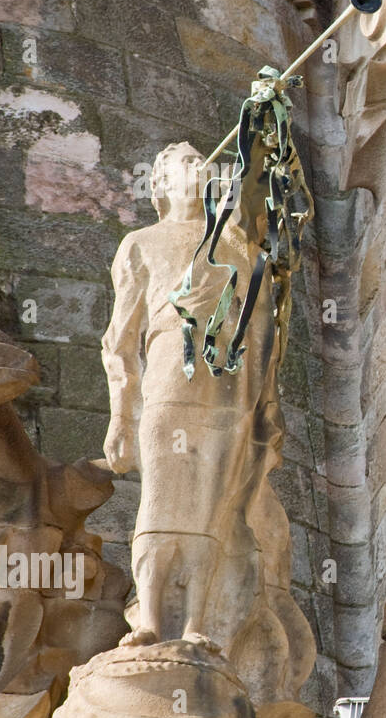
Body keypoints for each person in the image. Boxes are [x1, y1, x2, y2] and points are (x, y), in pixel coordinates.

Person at [101, 142, 273, 649]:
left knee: (210, 504)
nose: (197, 170)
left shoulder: (235, 244)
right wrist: (119, 414)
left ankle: (196, 622)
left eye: (202, 164)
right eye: (184, 165)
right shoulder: (141, 243)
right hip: (167, 382)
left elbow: (259, 318)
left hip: (225, 388)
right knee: (160, 499)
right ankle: (150, 618)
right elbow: (119, 341)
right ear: (159, 184)